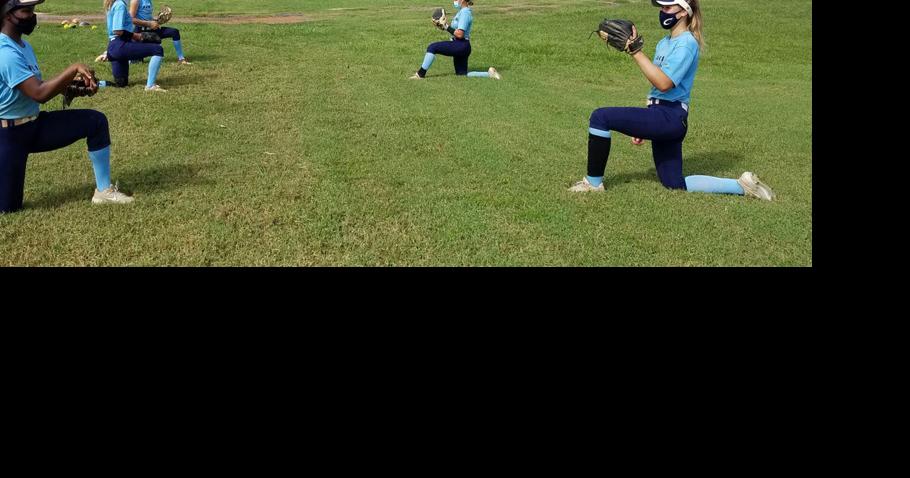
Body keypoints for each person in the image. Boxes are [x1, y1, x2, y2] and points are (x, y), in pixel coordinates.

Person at [568, 0, 775, 201]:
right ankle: (741, 186)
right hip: (661, 116)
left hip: (670, 117)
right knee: (673, 182)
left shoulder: (687, 44)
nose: (663, 11)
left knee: (600, 117)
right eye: (662, 7)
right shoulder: (664, 43)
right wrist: (644, 124)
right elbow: (657, 89)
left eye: (668, 6)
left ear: (684, 11)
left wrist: (635, 52)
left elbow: (665, 83)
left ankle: (593, 184)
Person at [1, 0, 133, 213]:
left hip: (34, 125)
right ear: (7, 15)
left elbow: (35, 87)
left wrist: (69, 87)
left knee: (95, 122)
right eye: (26, 11)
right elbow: (39, 93)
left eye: (33, 11)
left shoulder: (23, 46)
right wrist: (73, 69)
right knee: (8, 208)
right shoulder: (4, 51)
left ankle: (103, 191)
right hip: (9, 136)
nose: (32, 17)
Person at [410, 0, 501, 80]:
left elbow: (460, 34)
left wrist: (446, 26)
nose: (454, 1)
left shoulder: (465, 12)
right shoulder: (462, 12)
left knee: (432, 47)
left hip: (460, 45)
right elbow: (455, 31)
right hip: (462, 45)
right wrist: (443, 26)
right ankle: (489, 74)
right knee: (461, 74)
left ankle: (420, 74)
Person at [105, 0, 167, 91]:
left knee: (121, 83)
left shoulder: (113, 4)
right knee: (158, 50)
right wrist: (136, 36)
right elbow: (117, 31)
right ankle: (150, 86)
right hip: (120, 45)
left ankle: (97, 83)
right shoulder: (120, 5)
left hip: (113, 47)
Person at [130, 0, 191, 65]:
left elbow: (146, 17)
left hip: (152, 30)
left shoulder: (148, 0)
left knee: (174, 32)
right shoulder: (135, 1)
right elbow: (131, 19)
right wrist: (149, 24)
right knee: (136, 61)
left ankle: (181, 59)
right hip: (140, 32)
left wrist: (157, 20)